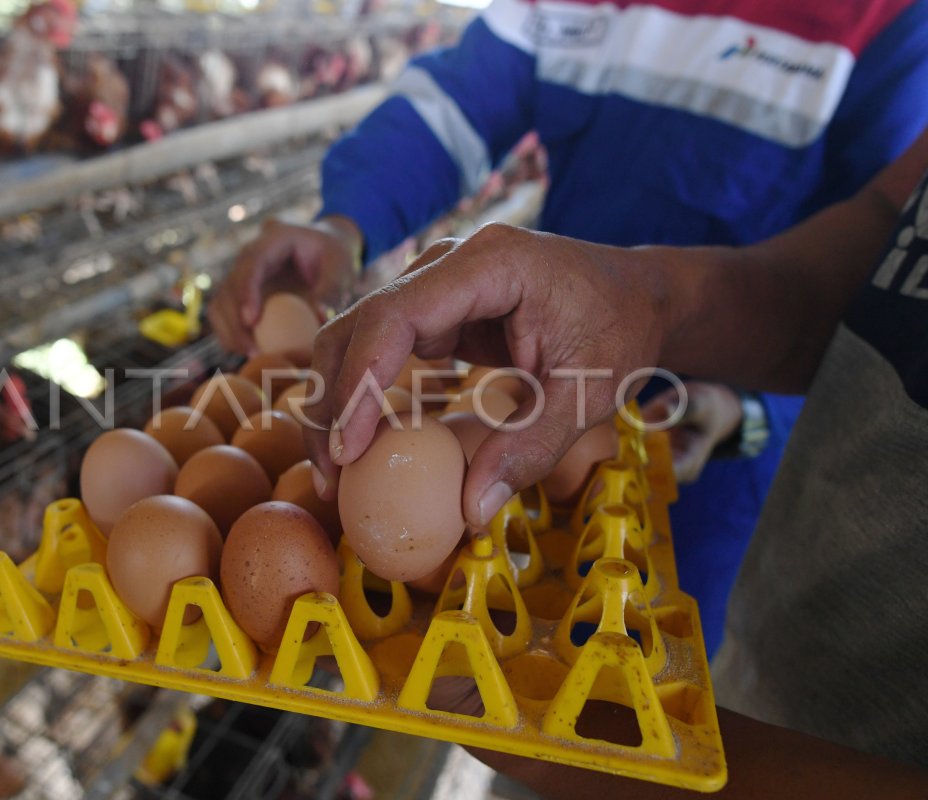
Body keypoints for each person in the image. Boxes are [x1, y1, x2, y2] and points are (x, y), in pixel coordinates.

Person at [209, 0, 928, 656]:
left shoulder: (889, 23)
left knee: (652, 691)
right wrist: (345, 221)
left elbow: (877, 274)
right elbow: (460, 99)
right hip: (533, 393)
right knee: (524, 685)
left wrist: (752, 415)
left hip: (705, 454)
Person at [300, 121, 928, 794]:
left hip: (718, 737)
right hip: (763, 655)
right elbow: (883, 238)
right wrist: (652, 299)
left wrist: (631, 758)